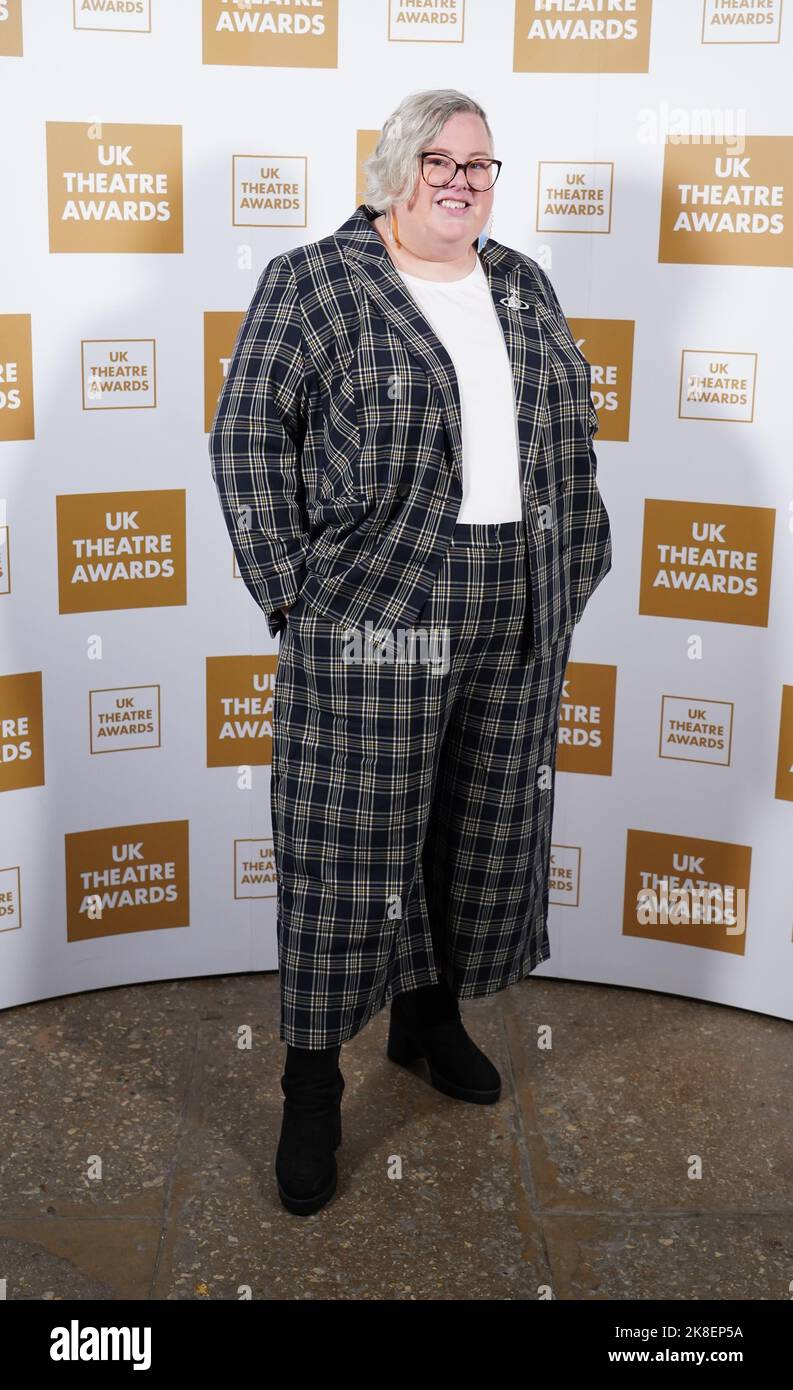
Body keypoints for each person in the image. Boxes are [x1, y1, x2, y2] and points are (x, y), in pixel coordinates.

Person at [209, 88, 612, 1216]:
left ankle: (428, 1025)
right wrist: (295, 599)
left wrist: (571, 569)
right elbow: (247, 438)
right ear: (392, 172)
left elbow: (564, 432)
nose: (460, 180)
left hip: (511, 600)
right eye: (437, 160)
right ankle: (309, 1087)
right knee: (348, 848)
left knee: (472, 824)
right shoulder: (314, 282)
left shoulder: (520, 281)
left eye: (479, 163)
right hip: (375, 607)